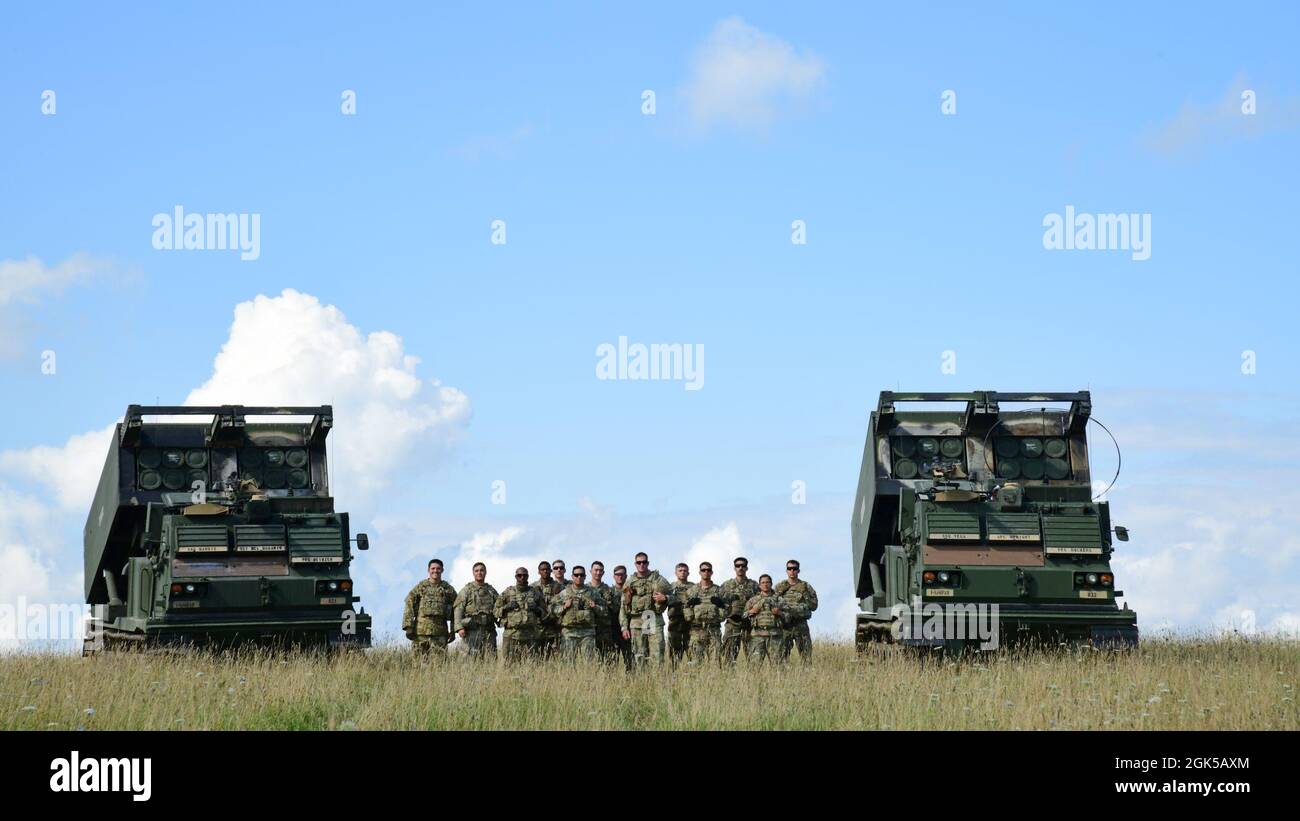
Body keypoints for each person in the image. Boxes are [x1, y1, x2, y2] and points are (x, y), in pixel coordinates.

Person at [619, 552, 671, 667]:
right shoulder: (630, 581)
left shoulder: (658, 579)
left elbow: (674, 595)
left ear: (648, 563)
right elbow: (623, 607)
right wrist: (624, 627)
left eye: (644, 562)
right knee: (639, 657)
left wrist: (665, 598)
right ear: (635, 564)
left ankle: (658, 682)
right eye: (639, 562)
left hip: (653, 618)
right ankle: (642, 682)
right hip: (636, 621)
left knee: (657, 655)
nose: (641, 564)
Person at [401, 558, 456, 657]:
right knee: (417, 665)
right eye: (433, 568)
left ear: (442, 570)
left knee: (439, 665)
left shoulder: (448, 589)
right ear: (428, 570)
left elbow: (456, 609)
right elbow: (409, 603)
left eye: (438, 568)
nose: (435, 571)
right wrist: (408, 626)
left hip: (440, 634)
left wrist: (453, 630)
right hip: (420, 633)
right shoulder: (421, 587)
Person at [494, 566, 547, 662]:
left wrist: (537, 609)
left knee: (531, 665)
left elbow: (546, 613)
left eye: (524, 575)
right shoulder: (507, 592)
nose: (522, 577)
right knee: (509, 665)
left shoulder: (535, 592)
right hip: (511, 635)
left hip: (531, 634)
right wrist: (506, 607)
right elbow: (495, 612)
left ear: (528, 576)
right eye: (519, 575)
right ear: (516, 577)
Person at [552, 565, 605, 661]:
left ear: (585, 576)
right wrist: (564, 607)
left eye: (581, 575)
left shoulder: (593, 592)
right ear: (572, 576)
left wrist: (595, 607)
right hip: (569, 632)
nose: (579, 577)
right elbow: (553, 609)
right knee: (568, 663)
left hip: (587, 632)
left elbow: (603, 611)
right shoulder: (564, 593)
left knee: (588, 663)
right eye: (576, 575)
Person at [683, 562, 728, 665]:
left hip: (714, 631)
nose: (706, 572)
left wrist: (721, 606)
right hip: (696, 631)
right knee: (696, 664)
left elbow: (724, 616)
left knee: (715, 663)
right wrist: (689, 606)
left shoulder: (719, 591)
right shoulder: (692, 591)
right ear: (700, 572)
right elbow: (687, 616)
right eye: (703, 570)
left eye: (708, 570)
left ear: (712, 572)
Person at [453, 562, 499, 660]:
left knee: (490, 659)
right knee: (469, 660)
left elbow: (499, 607)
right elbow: (458, 609)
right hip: (471, 631)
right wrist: (459, 628)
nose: (479, 573)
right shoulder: (467, 590)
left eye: (482, 570)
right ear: (473, 573)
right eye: (476, 571)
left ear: (485, 572)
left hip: (489, 630)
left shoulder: (491, 590)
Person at [775, 559, 818, 663]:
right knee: (782, 658)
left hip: (801, 625)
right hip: (785, 626)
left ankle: (805, 678)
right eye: (789, 569)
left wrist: (805, 593)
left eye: (794, 569)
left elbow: (814, 606)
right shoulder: (780, 587)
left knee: (806, 657)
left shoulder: (805, 586)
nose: (792, 571)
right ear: (786, 571)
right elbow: (772, 604)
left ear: (798, 571)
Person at [720, 556, 760, 664]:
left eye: (743, 566)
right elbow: (719, 603)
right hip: (732, 624)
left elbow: (763, 600)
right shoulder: (727, 585)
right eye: (738, 566)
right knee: (729, 658)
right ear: (734, 568)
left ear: (746, 568)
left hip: (750, 625)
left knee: (753, 659)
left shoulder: (754, 586)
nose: (740, 568)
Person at [744, 574, 786, 663]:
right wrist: (751, 611)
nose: (765, 584)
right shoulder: (753, 600)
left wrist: (780, 613)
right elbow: (743, 616)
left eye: (767, 582)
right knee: (754, 666)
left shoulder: (779, 600)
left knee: (777, 666)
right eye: (763, 582)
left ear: (771, 584)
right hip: (757, 636)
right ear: (759, 585)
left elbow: (789, 616)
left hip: (775, 636)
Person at [588, 561, 619, 661]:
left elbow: (616, 609)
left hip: (606, 630)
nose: (598, 573)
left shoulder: (609, 590)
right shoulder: (585, 589)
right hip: (589, 629)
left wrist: (609, 603)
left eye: (600, 570)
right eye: (596, 570)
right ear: (590, 571)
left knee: (608, 660)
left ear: (603, 573)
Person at [532, 560, 564, 658]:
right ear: (539, 571)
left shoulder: (559, 587)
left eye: (547, 569)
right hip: (537, 628)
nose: (545, 571)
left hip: (554, 628)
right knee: (537, 657)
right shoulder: (533, 588)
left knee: (555, 657)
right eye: (543, 569)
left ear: (551, 571)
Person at [667, 562, 692, 665]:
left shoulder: (693, 587)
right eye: (680, 571)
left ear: (688, 573)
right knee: (674, 653)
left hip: (690, 622)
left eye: (685, 571)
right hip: (674, 622)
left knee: (691, 650)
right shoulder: (670, 587)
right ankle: (674, 676)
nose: (682, 573)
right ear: (676, 573)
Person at [610, 565, 632, 669]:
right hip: (613, 630)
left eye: (622, 574)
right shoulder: (609, 592)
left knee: (630, 661)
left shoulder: (631, 591)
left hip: (628, 630)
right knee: (612, 661)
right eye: (617, 574)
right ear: (614, 576)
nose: (620, 577)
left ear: (626, 576)